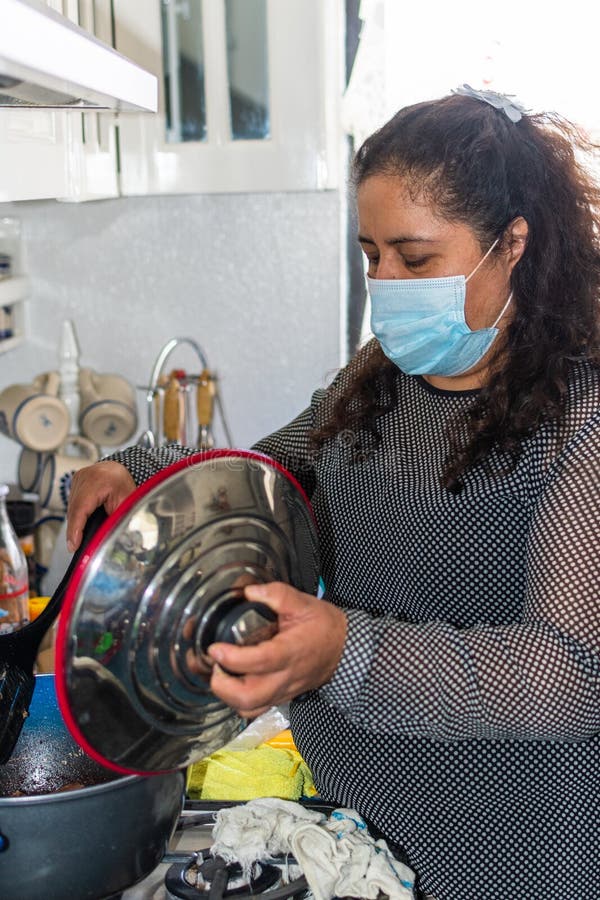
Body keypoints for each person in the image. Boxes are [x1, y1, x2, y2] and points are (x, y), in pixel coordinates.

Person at [67, 87, 600, 900]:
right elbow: (269, 477)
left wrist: (348, 650)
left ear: (514, 244)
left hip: (507, 847)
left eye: (414, 259)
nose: (386, 282)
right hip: (354, 822)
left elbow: (571, 676)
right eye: (370, 255)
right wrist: (141, 468)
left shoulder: (581, 417)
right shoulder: (378, 377)